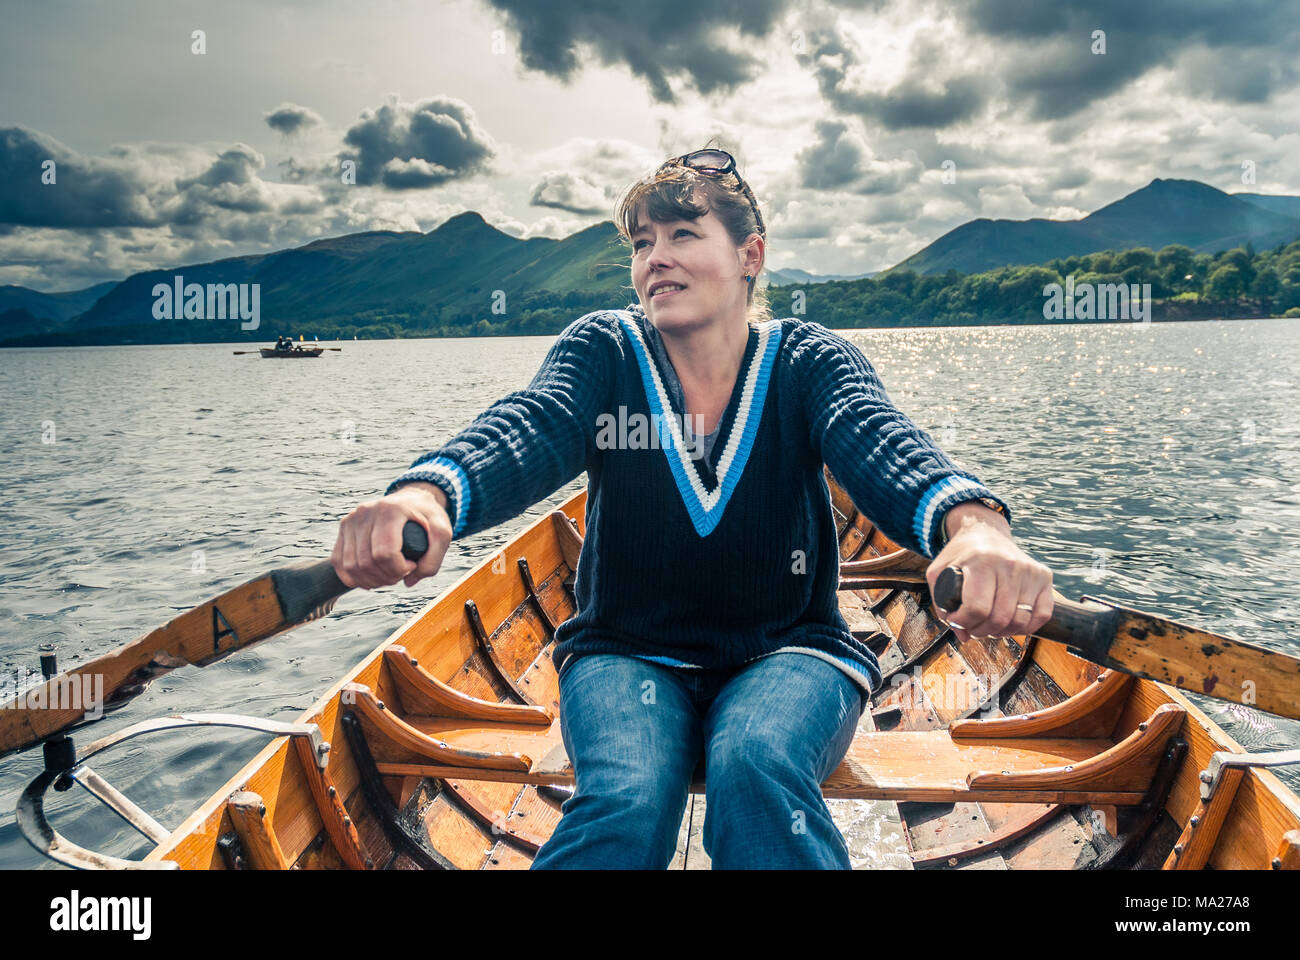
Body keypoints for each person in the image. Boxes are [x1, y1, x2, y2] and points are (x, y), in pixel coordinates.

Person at [330, 145, 1054, 869]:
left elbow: (877, 437)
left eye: (682, 234)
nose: (655, 259)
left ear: (751, 254)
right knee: (627, 799)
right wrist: (429, 493)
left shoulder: (808, 360)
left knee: (756, 764)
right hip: (623, 652)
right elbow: (535, 422)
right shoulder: (605, 350)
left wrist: (974, 526)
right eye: (643, 243)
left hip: (792, 651)